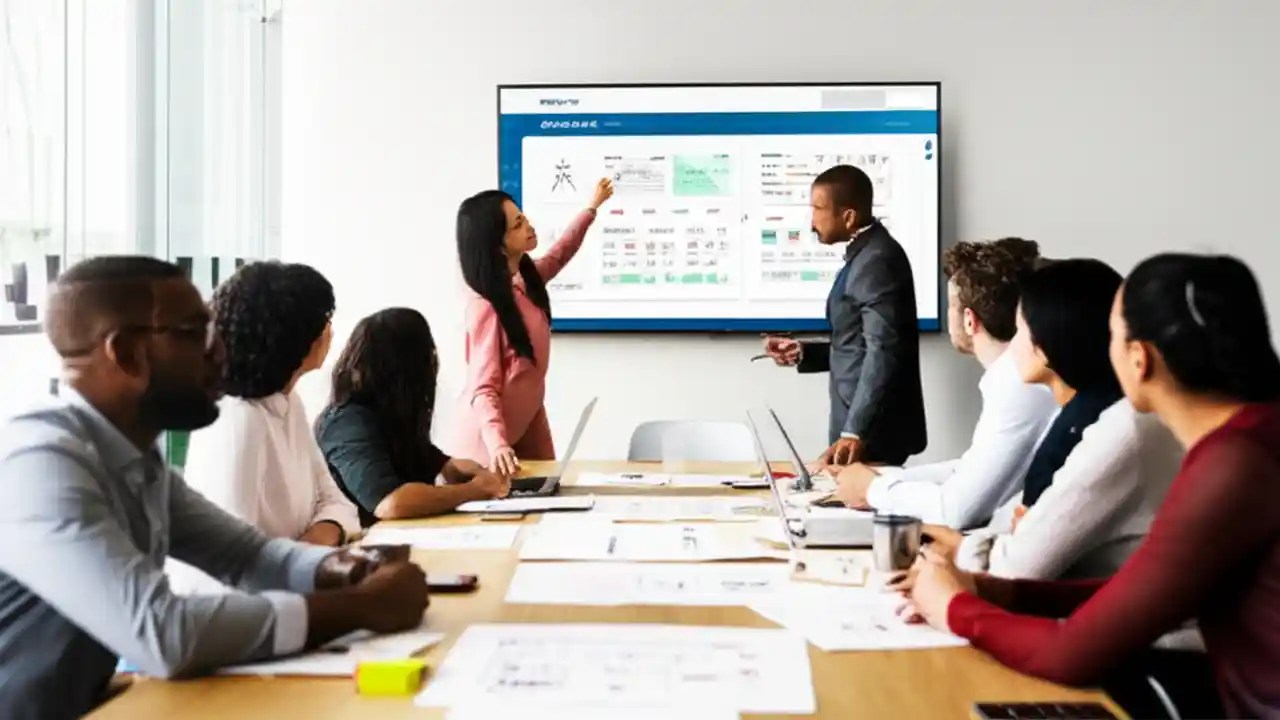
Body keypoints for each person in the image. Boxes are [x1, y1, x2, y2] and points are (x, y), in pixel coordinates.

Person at [0, 257, 428, 720]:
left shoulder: (130, 454)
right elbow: (163, 633)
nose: (219, 350)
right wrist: (359, 607)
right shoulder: (40, 464)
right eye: (194, 333)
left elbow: (248, 556)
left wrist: (347, 568)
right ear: (125, 354)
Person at [903, 253, 1280, 718]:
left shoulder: (1232, 466)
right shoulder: (1251, 439)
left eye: (1112, 335)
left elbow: (1071, 653)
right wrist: (999, 593)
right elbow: (1139, 591)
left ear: (1139, 360)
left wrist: (953, 607)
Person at [947, 259, 1183, 579]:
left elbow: (1017, 566)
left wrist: (971, 545)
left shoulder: (1115, 429)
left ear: (1046, 343)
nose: (1012, 346)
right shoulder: (1082, 414)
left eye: (1019, 331)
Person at [833, 238, 1057, 528]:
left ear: (969, 320)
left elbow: (957, 511)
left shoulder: (1019, 388)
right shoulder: (1014, 379)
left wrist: (872, 490)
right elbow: (971, 471)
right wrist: (882, 477)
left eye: (950, 305)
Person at [182, 261, 359, 545]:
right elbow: (233, 555)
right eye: (323, 319)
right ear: (295, 339)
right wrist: (304, 554)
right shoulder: (238, 421)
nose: (330, 329)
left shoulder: (288, 402)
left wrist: (314, 543)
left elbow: (337, 503)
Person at [762, 165, 926, 467]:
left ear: (848, 216)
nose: (811, 221)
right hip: (859, 428)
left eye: (818, 209)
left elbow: (884, 349)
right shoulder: (866, 253)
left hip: (871, 433)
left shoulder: (876, 260)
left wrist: (855, 431)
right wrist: (803, 352)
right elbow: (857, 344)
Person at [448, 178, 614, 477]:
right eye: (517, 224)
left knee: (553, 489)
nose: (529, 226)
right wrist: (498, 445)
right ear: (497, 245)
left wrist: (591, 208)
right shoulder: (486, 306)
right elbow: (483, 389)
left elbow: (561, 252)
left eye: (523, 217)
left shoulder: (526, 280)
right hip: (487, 448)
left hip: (525, 424)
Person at [316, 308, 510, 526]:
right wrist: (473, 490)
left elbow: (425, 459)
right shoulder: (346, 423)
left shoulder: (386, 410)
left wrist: (450, 467)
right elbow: (391, 502)